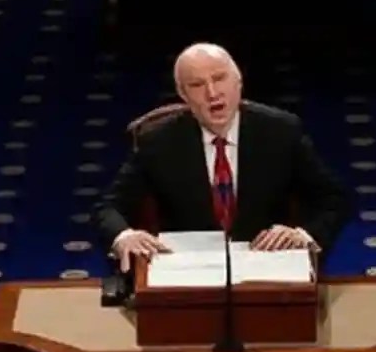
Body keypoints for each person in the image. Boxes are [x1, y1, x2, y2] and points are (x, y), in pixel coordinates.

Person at [93, 42, 352, 273]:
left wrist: (302, 234)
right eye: (197, 85)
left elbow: (333, 198)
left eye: (219, 79)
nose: (212, 93)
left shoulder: (281, 131)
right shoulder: (158, 141)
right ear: (183, 95)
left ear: (238, 82)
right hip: (190, 270)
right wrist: (124, 235)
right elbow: (109, 207)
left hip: (265, 266)